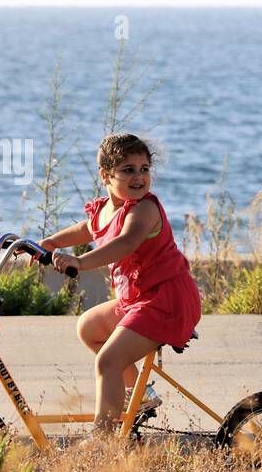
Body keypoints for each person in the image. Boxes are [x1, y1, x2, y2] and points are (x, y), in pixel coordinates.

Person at [40, 133, 202, 434]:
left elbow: (126, 243)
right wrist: (50, 242)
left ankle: (103, 440)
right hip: (139, 300)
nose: (139, 177)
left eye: (144, 169)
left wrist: (80, 262)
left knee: (108, 362)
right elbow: (86, 229)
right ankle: (138, 397)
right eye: (128, 169)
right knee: (89, 327)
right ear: (106, 175)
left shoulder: (145, 210)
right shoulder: (106, 209)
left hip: (167, 300)